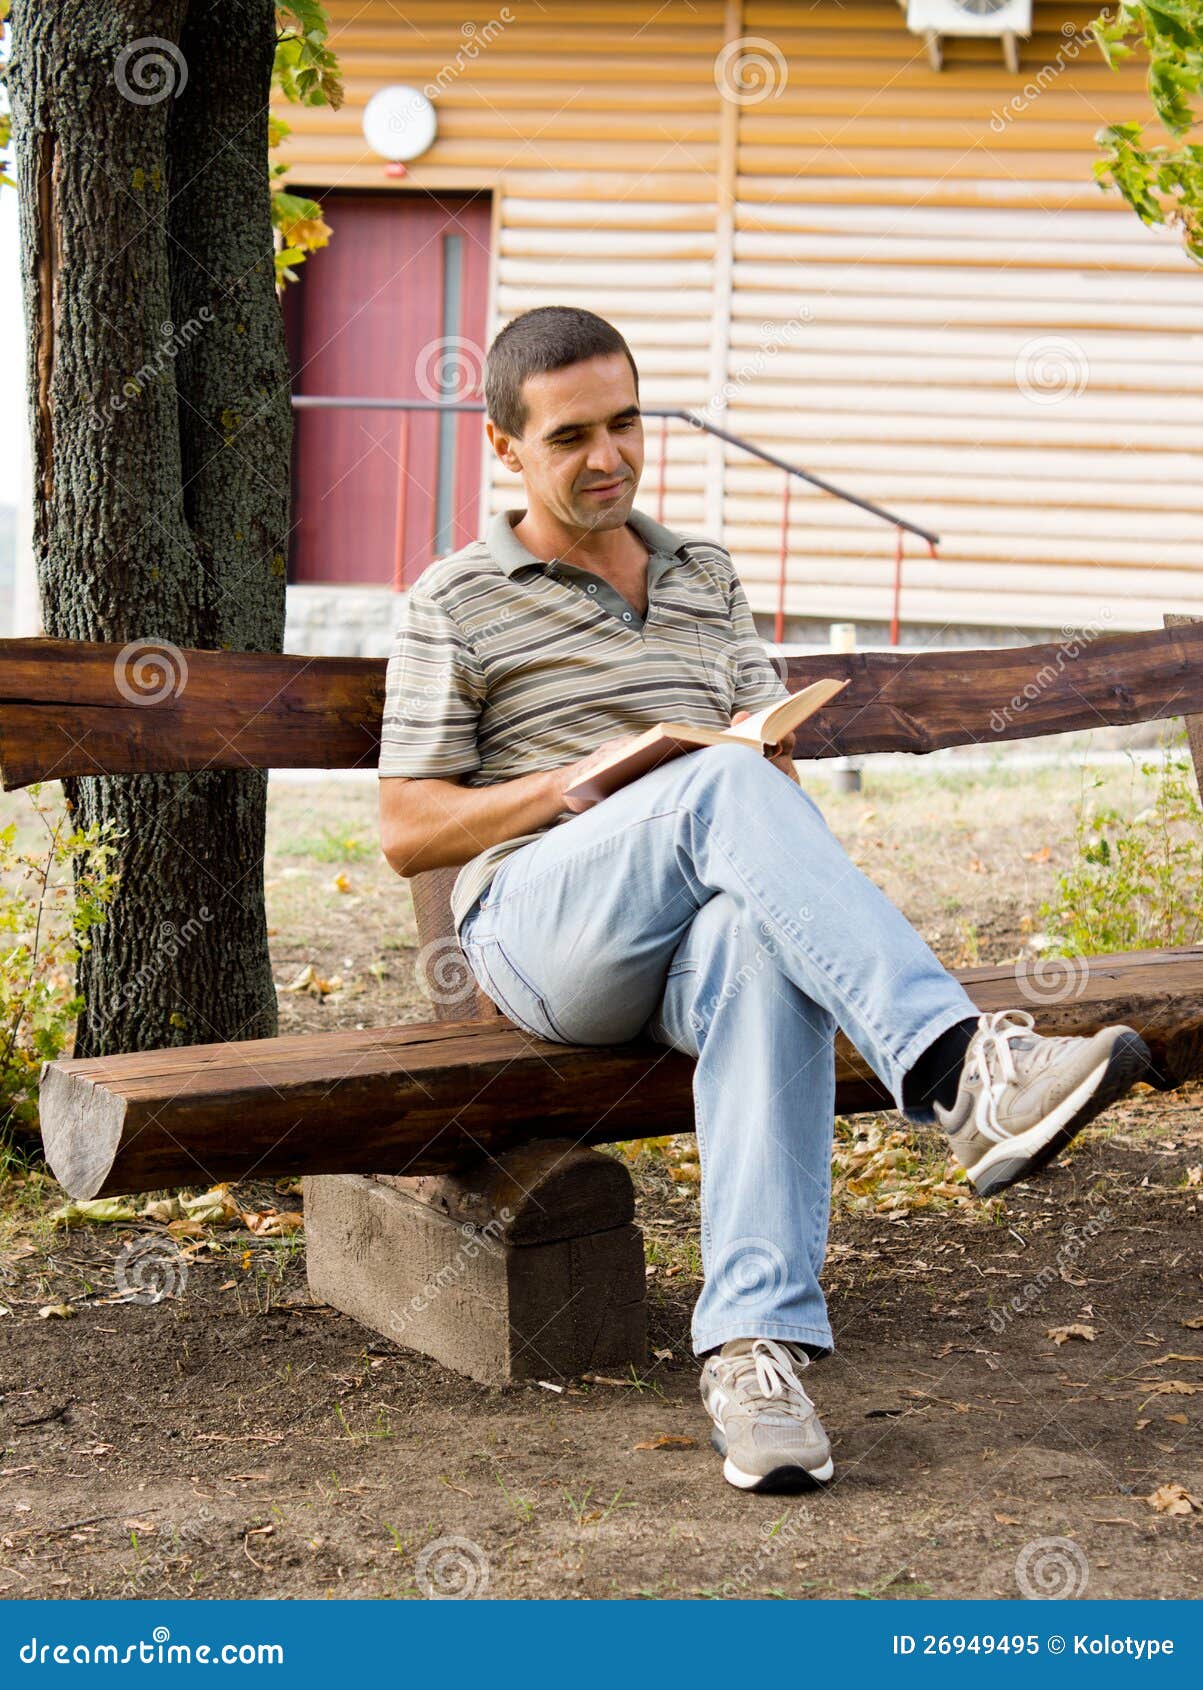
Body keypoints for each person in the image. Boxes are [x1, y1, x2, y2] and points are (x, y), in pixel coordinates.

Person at [378, 305, 1151, 1494]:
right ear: (505, 447)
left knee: (756, 935)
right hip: (541, 929)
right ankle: (960, 1073)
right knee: (715, 785)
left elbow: (756, 769)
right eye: (572, 434)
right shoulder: (456, 598)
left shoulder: (704, 575)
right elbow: (407, 828)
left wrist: (750, 762)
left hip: (692, 923)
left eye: (627, 421)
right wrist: (576, 783)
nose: (609, 456)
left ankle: (754, 1356)